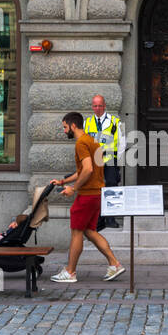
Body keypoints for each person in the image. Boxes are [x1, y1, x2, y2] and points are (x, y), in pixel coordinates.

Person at [49, 111, 125, 283]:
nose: (64, 131)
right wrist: (63, 181)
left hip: (87, 195)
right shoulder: (93, 141)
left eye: (65, 127)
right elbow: (83, 170)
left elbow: (88, 169)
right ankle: (115, 264)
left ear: (73, 125)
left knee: (76, 232)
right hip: (97, 193)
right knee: (89, 231)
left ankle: (70, 272)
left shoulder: (81, 143)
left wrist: (73, 189)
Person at [84, 94, 122, 227]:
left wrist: (117, 160)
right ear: (92, 107)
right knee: (95, 189)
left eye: (100, 105)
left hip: (110, 159)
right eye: (95, 105)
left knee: (111, 186)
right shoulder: (87, 123)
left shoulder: (115, 122)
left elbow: (121, 143)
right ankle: (98, 219)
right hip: (94, 161)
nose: (98, 108)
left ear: (104, 106)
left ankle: (110, 219)